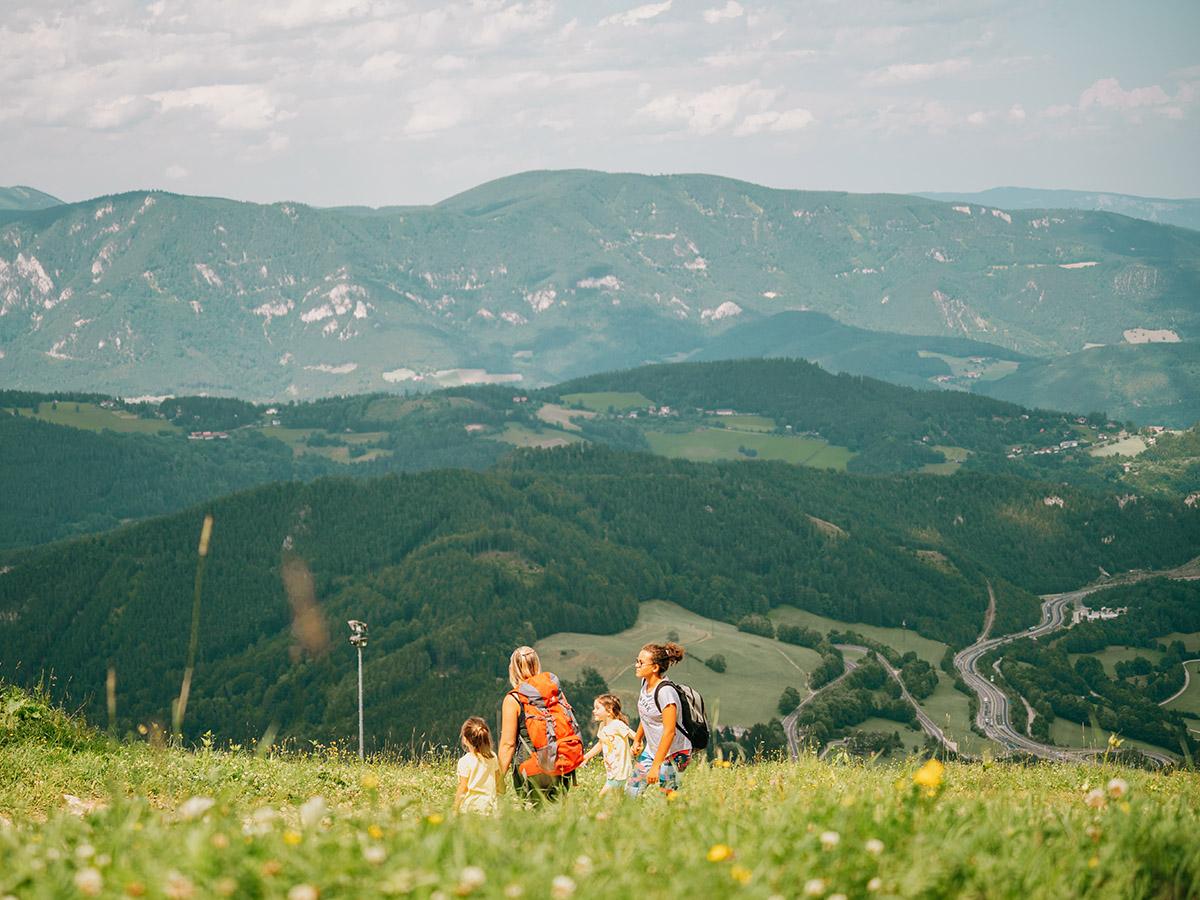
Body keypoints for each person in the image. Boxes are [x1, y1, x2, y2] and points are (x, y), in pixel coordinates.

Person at [497, 646, 584, 801]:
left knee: (534, 819)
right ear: (537, 665)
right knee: (556, 815)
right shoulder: (555, 692)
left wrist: (499, 778)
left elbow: (508, 744)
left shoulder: (514, 699)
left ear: (513, 669)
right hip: (559, 763)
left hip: (530, 767)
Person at [628, 642, 692, 796]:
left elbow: (669, 732)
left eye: (641, 662)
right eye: (637, 660)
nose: (636, 665)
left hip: (675, 753)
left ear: (655, 667)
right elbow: (646, 716)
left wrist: (656, 766)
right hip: (652, 750)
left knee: (668, 796)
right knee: (632, 791)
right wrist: (637, 739)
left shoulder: (666, 693)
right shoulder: (645, 683)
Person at [581, 693, 637, 796]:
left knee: (600, 798)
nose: (594, 711)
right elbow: (600, 744)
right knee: (618, 800)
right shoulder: (603, 725)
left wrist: (635, 747)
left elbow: (636, 736)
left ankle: (593, 810)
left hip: (620, 772)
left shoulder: (617, 724)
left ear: (609, 710)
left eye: (597, 708)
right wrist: (586, 757)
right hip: (611, 770)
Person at [454, 716, 502, 815]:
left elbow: (463, 787)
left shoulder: (465, 761)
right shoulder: (493, 757)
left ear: (465, 740)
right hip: (490, 808)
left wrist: (455, 809)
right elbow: (499, 783)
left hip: (470, 809)